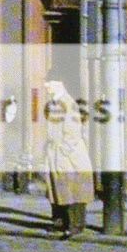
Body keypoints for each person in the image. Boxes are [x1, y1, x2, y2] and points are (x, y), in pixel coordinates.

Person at [43, 79, 95, 239]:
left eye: (49, 82)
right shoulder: (54, 102)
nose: (46, 85)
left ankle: (75, 224)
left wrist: (63, 150)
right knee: (57, 187)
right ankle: (61, 222)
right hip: (56, 152)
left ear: (60, 83)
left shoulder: (67, 102)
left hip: (69, 155)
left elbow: (72, 131)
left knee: (74, 188)